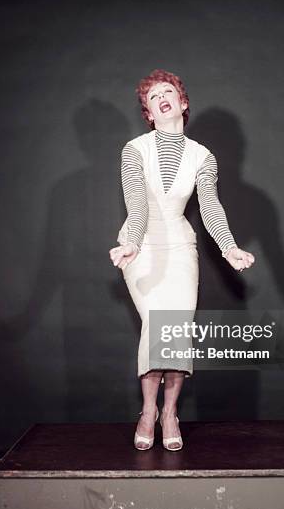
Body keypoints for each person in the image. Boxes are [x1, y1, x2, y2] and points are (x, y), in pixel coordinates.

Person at [109, 69, 255, 451]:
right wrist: (133, 244)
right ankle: (147, 411)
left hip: (179, 246)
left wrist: (228, 247)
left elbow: (210, 206)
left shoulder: (203, 156)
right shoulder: (133, 150)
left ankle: (170, 412)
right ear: (149, 112)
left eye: (168, 91)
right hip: (140, 246)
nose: (162, 97)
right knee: (159, 325)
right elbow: (137, 206)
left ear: (182, 103)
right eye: (153, 96)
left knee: (176, 331)